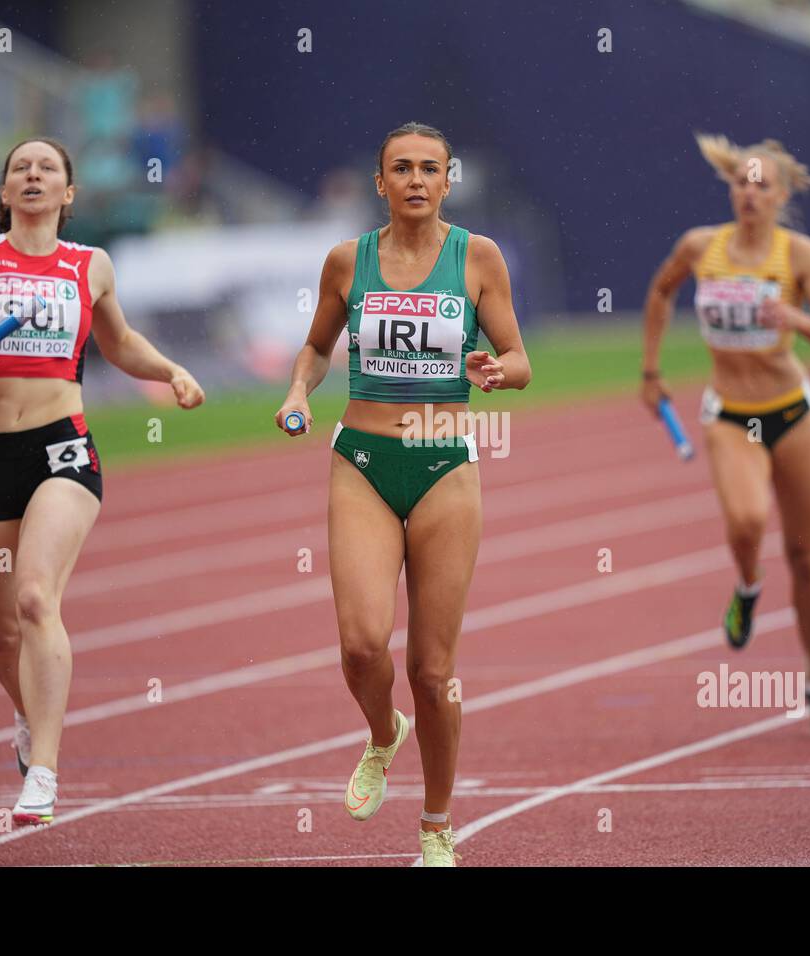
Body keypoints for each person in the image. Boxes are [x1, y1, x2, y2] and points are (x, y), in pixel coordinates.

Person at [0, 137, 205, 825]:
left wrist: (170, 371)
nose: (33, 175)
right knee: (1, 633)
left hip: (63, 449)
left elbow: (118, 340)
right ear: (4, 192)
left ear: (69, 195)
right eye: (19, 169)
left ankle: (43, 769)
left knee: (37, 598)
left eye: (48, 169)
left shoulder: (89, 264)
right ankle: (25, 710)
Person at [275, 122, 530, 865]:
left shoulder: (476, 257)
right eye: (400, 169)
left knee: (432, 669)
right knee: (360, 647)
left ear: (449, 180)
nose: (416, 179)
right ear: (380, 183)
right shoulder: (346, 261)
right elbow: (319, 346)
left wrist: (496, 371)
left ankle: (437, 826)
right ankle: (384, 732)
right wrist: (298, 391)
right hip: (362, 459)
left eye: (430, 168)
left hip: (443, 462)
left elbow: (520, 359)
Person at [640, 133, 810, 738]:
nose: (750, 194)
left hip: (793, 413)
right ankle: (748, 587)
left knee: (806, 556)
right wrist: (651, 372)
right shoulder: (701, 247)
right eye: (741, 182)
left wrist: (795, 318)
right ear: (730, 189)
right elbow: (660, 291)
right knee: (747, 522)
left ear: (781, 195)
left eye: (762, 185)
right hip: (731, 414)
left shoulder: (800, 255)